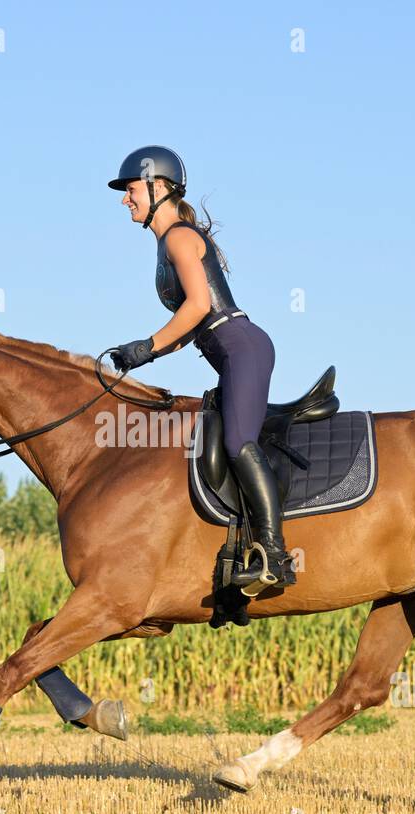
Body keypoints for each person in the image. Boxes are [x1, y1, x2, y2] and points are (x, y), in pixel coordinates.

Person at [107, 145, 295, 593]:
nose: (124, 199)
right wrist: (142, 354)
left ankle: (274, 556)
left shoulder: (178, 236)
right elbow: (191, 326)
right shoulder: (165, 242)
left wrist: (147, 346)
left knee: (237, 440)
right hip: (229, 351)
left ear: (158, 188)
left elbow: (198, 306)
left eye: (130, 189)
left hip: (242, 348)